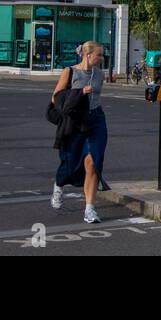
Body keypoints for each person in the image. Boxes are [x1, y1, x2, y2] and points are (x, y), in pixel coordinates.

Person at [49, 42, 108, 224]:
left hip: (96, 119)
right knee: (70, 162)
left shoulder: (100, 74)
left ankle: (89, 209)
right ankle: (59, 185)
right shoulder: (70, 72)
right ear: (88, 55)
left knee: (93, 162)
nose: (102, 58)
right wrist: (80, 93)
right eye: (99, 55)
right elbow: (56, 97)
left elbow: (96, 97)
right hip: (75, 122)